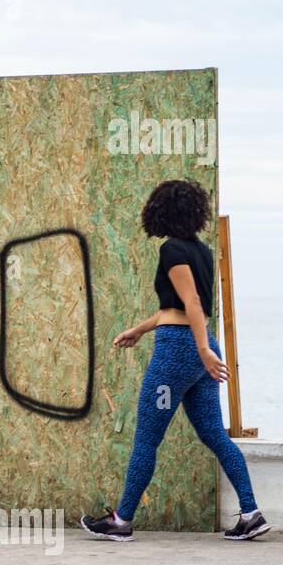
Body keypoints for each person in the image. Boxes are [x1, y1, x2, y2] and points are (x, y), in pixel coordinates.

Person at [81, 179, 268, 542]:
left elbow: (192, 305)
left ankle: (121, 521)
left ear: (161, 211)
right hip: (197, 350)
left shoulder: (171, 250)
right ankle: (251, 513)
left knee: (147, 439)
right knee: (215, 435)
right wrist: (140, 329)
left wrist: (201, 350)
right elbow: (176, 308)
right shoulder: (201, 250)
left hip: (178, 353)